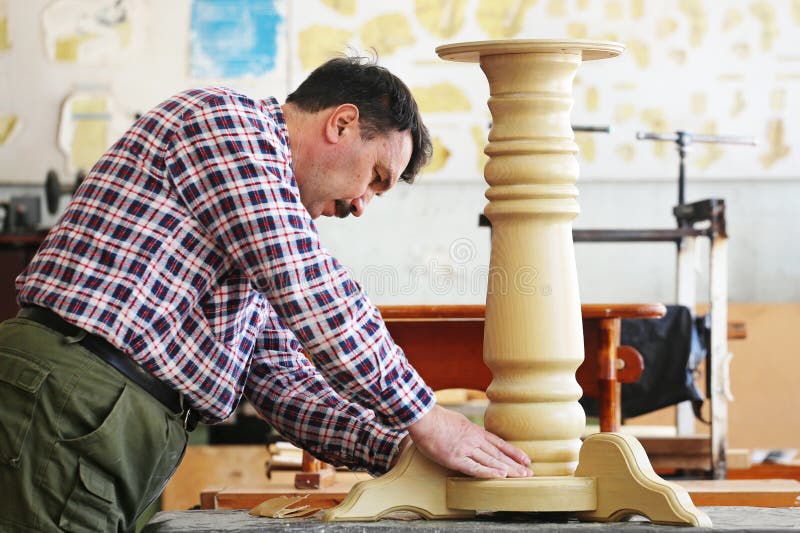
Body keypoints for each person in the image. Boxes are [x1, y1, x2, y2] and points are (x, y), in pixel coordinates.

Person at [0, 56, 531, 532]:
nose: (363, 205)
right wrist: (428, 417)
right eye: (375, 178)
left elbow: (282, 382)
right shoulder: (229, 126)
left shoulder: (264, 216)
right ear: (342, 123)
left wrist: (401, 450)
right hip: (75, 398)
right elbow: (312, 290)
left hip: (112, 421)